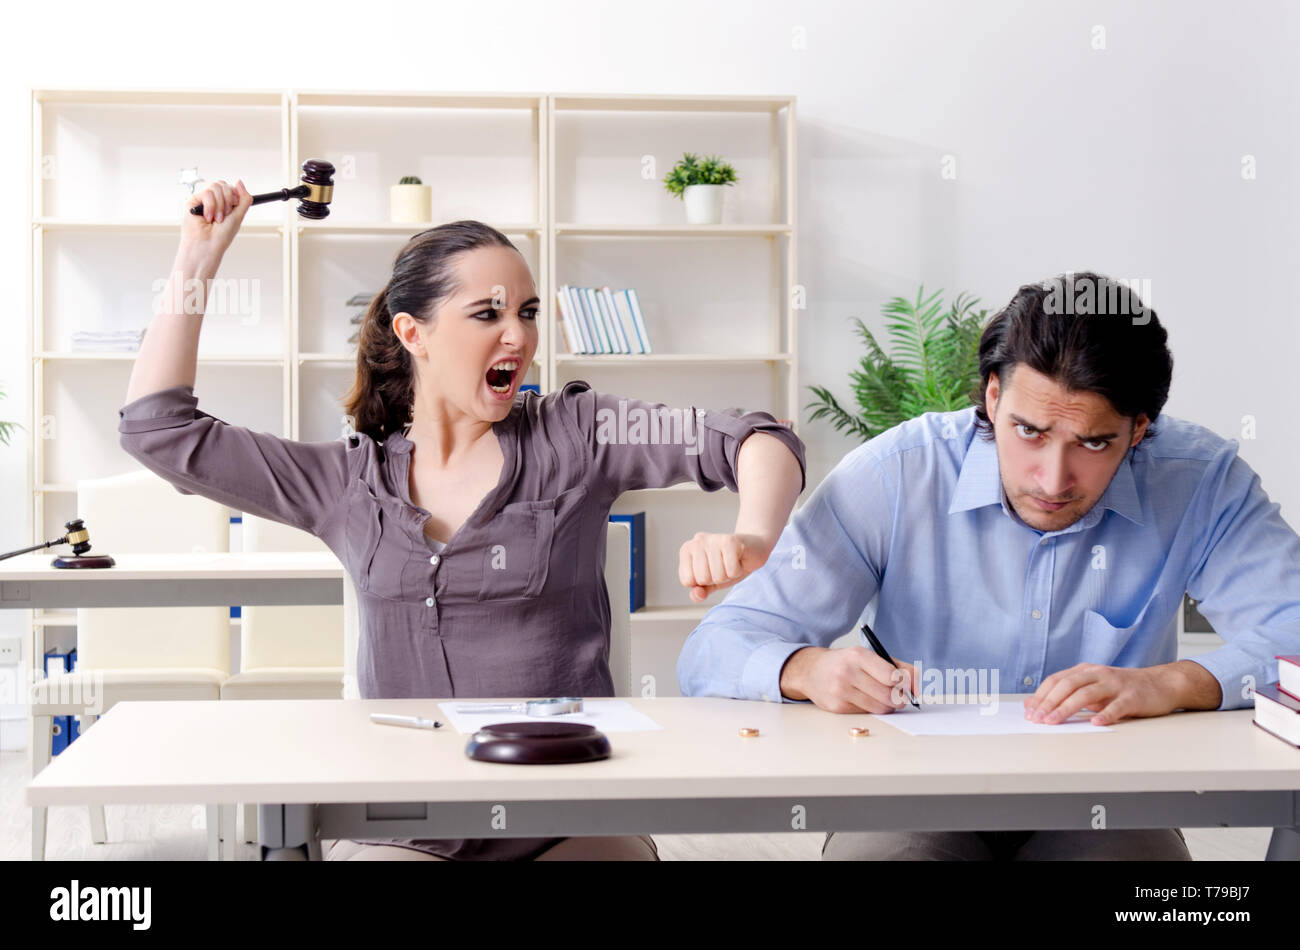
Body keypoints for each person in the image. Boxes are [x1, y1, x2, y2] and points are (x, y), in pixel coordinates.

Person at [119, 179, 806, 861]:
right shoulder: (343, 481)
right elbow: (160, 432)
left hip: (564, 817)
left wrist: (751, 535)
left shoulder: (580, 433)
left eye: (529, 313)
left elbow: (758, 437)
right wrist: (195, 262)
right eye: (489, 315)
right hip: (407, 825)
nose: (520, 336)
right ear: (413, 333)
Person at [678, 271, 1300, 861]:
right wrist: (807, 668)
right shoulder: (897, 473)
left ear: (1140, 430)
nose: (1052, 479)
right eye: (1028, 431)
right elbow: (717, 646)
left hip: (1108, 799)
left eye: (1093, 443)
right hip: (909, 792)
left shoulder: (1199, 481)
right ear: (993, 397)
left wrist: (1172, 682)